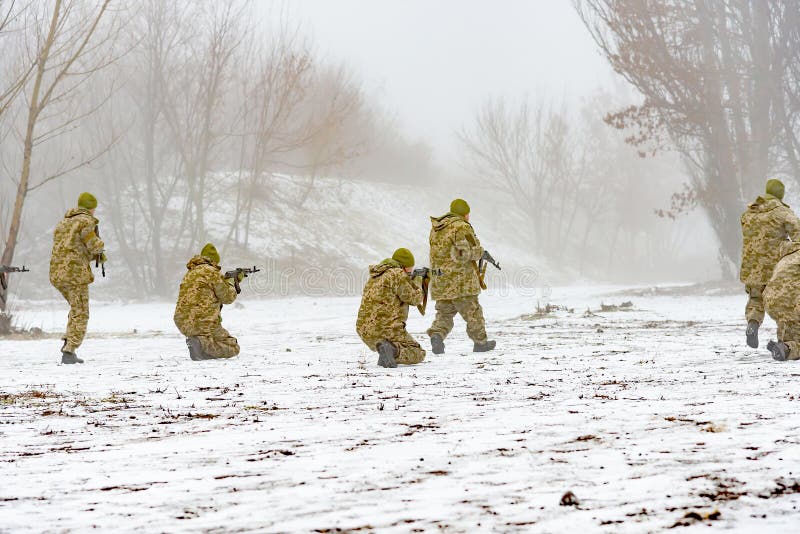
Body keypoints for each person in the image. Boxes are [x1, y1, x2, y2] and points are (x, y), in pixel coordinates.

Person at [427, 199, 495, 354]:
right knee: (473, 312)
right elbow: (465, 252)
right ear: (465, 214)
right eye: (468, 214)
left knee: (444, 312)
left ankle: (437, 335)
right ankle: (480, 342)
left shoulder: (437, 228)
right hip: (460, 281)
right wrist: (480, 253)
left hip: (440, 280)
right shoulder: (461, 227)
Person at [740, 178, 800, 348]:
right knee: (782, 301)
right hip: (775, 267)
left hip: (751, 266)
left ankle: (753, 323)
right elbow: (798, 233)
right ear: (780, 195)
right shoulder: (782, 212)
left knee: (755, 299)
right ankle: (784, 343)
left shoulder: (749, 212)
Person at [49, 192, 106, 364]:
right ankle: (69, 350)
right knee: (81, 311)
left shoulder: (63, 222)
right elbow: (93, 244)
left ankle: (68, 343)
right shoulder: (86, 221)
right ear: (92, 208)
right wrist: (100, 251)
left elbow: (68, 246)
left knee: (76, 308)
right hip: (74, 274)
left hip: (57, 273)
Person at [356, 248, 426, 368]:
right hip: (386, 329)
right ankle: (392, 351)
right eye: (410, 268)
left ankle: (387, 351)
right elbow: (415, 299)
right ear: (404, 266)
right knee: (418, 353)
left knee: (394, 342)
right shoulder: (397, 274)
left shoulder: (376, 275)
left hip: (365, 331)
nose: (411, 271)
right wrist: (419, 280)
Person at [174, 243, 243, 360]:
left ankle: (199, 345)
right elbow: (228, 298)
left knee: (214, 339)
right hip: (204, 323)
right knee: (233, 347)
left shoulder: (190, 273)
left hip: (183, 322)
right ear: (215, 260)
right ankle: (200, 344)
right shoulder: (212, 272)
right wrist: (233, 282)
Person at [764, 241, 800, 361]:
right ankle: (787, 348)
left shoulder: (786, 258)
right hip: (792, 301)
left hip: (772, 302)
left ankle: (782, 345)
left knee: (788, 326)